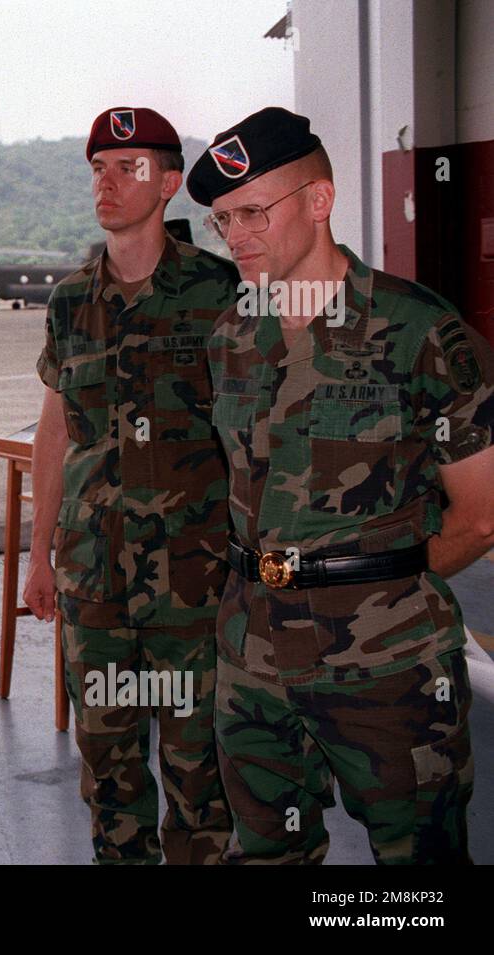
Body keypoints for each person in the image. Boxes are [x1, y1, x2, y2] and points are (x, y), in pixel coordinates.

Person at [189, 107, 494, 863]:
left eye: (253, 211)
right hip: (250, 660)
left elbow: (482, 518)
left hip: (388, 671)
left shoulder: (421, 331)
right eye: (223, 220)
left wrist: (379, 593)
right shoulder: (231, 337)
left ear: (319, 201)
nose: (236, 237)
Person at [23, 107, 237, 864]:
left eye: (128, 168)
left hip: (195, 578)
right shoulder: (69, 302)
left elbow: (255, 438)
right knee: (108, 767)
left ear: (171, 183)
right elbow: (56, 432)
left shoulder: (221, 294)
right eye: (97, 171)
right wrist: (37, 552)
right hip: (95, 578)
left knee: (197, 769)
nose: (106, 184)